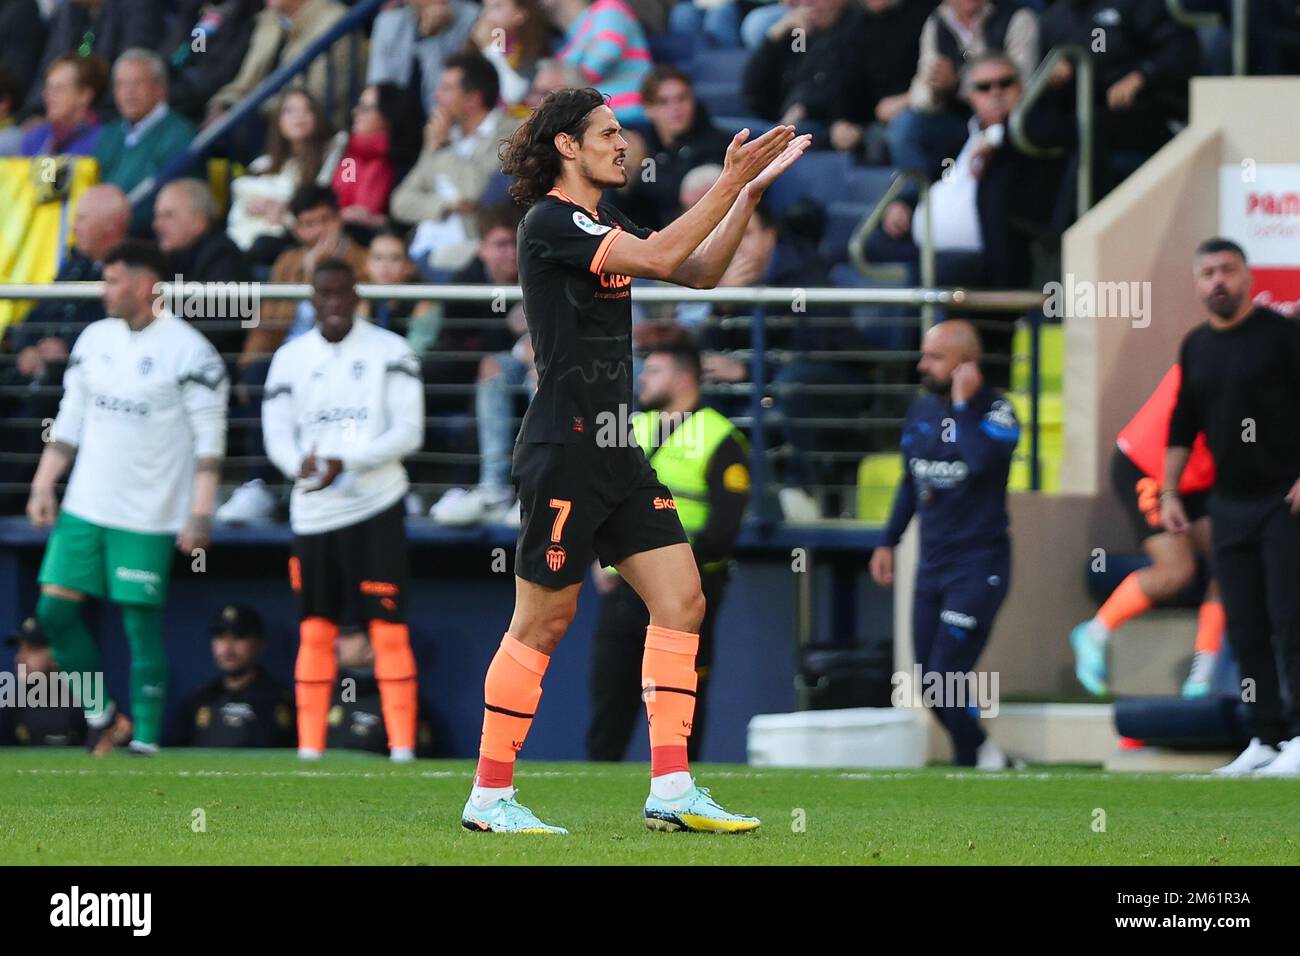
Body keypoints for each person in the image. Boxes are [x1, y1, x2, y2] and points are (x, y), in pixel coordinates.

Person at [460, 85, 808, 834]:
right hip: (563, 450)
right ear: (567, 145)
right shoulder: (550, 222)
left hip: (617, 447)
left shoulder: (601, 218)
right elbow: (662, 254)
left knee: (682, 599)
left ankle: (672, 788)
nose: (624, 144)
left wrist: (743, 191)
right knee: (542, 622)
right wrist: (726, 178)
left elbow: (701, 272)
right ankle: (489, 798)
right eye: (610, 132)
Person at [26, 239, 229, 756]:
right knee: (53, 615)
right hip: (84, 506)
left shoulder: (191, 351)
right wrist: (44, 481)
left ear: (144, 286)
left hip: (148, 513)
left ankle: (145, 741)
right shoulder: (94, 339)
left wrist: (200, 512)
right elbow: (69, 420)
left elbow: (210, 442)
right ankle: (101, 714)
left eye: (114, 280)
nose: (105, 290)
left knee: (140, 627)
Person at [261, 258, 425, 763]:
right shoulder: (289, 358)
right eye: (323, 295)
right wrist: (301, 467)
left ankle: (401, 749)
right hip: (313, 513)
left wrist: (344, 459)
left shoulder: (391, 350)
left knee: (388, 627)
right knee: (315, 627)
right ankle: (310, 749)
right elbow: (276, 433)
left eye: (342, 293)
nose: (333, 304)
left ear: (357, 296)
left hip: (377, 506)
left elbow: (409, 433)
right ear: (312, 300)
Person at [1161, 238, 1300, 777]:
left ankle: (1299, 734)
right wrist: (1171, 491)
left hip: (1283, 502)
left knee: (1291, 620)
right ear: (1197, 283)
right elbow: (1182, 423)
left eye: (1227, 270)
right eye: (1207, 273)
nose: (1218, 280)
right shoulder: (1196, 346)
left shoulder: (1282, 337)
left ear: (1247, 276)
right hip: (1229, 506)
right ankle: (1266, 735)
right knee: (1243, 626)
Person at [587, 335, 750, 762]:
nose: (643, 378)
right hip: (626, 587)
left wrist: (670, 567)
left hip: (690, 585)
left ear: (683, 378)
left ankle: (679, 779)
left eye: (655, 370)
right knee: (611, 690)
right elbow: (600, 497)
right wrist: (599, 556)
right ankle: (596, 784)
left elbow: (724, 528)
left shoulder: (720, 436)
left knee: (682, 691)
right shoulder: (632, 427)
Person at [869, 319, 1021, 768]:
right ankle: (978, 757)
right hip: (930, 567)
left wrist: (962, 405)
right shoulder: (920, 412)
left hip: (979, 565)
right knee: (928, 681)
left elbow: (977, 462)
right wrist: (888, 541)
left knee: (943, 674)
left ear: (965, 365)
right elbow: (911, 480)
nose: (922, 365)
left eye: (935, 357)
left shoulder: (997, 412)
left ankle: (978, 755)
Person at [1069, 364, 1222, 699]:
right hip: (1152, 466)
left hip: (1201, 477)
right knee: (1177, 571)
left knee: (1234, 559)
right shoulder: (1221, 352)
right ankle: (1095, 633)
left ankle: (1204, 671)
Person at [390, 51, 522, 273]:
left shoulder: (510, 134)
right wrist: (446, 205)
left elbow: (477, 192)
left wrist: (444, 148)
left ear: (473, 98)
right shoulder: (442, 133)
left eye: (447, 89)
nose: (437, 95)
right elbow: (400, 202)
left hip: (471, 253)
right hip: (419, 251)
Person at [225, 88, 346, 265]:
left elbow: (326, 199)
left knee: (261, 247)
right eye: (290, 111)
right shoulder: (262, 164)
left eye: (307, 110)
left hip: (293, 239)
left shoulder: (333, 155)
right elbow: (239, 210)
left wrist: (285, 210)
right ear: (278, 120)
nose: (299, 117)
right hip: (247, 239)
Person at [93, 49, 198, 233]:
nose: (128, 92)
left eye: (137, 83)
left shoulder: (179, 135)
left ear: (160, 89)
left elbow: (164, 202)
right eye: (121, 85)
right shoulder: (110, 133)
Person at [152, 178, 255, 358]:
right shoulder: (170, 259)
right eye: (157, 215)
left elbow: (219, 325)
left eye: (168, 215)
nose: (157, 224)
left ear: (199, 220)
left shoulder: (224, 257)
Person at [169, 604, 296, 748]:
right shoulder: (197, 700)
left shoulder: (282, 700)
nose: (227, 648)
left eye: (239, 636)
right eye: (221, 637)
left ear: (259, 643)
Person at [547, 0, 653, 125]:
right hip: (599, 118)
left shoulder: (608, 7)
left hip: (630, 114)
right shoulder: (573, 35)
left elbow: (606, 55)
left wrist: (573, 80)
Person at [367, 0, 480, 117]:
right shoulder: (387, 22)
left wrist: (431, 38)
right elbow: (379, 89)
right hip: (397, 122)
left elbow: (452, 94)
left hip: (447, 121)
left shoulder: (472, 17)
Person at [0, 616, 88, 747]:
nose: (21, 657)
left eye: (32, 649)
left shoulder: (84, 702)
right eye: (20, 649)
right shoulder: (8, 705)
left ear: (57, 654)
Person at [18, 54, 106, 157]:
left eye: (59, 88)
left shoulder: (104, 141)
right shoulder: (36, 137)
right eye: (48, 87)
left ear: (85, 95)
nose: (48, 95)